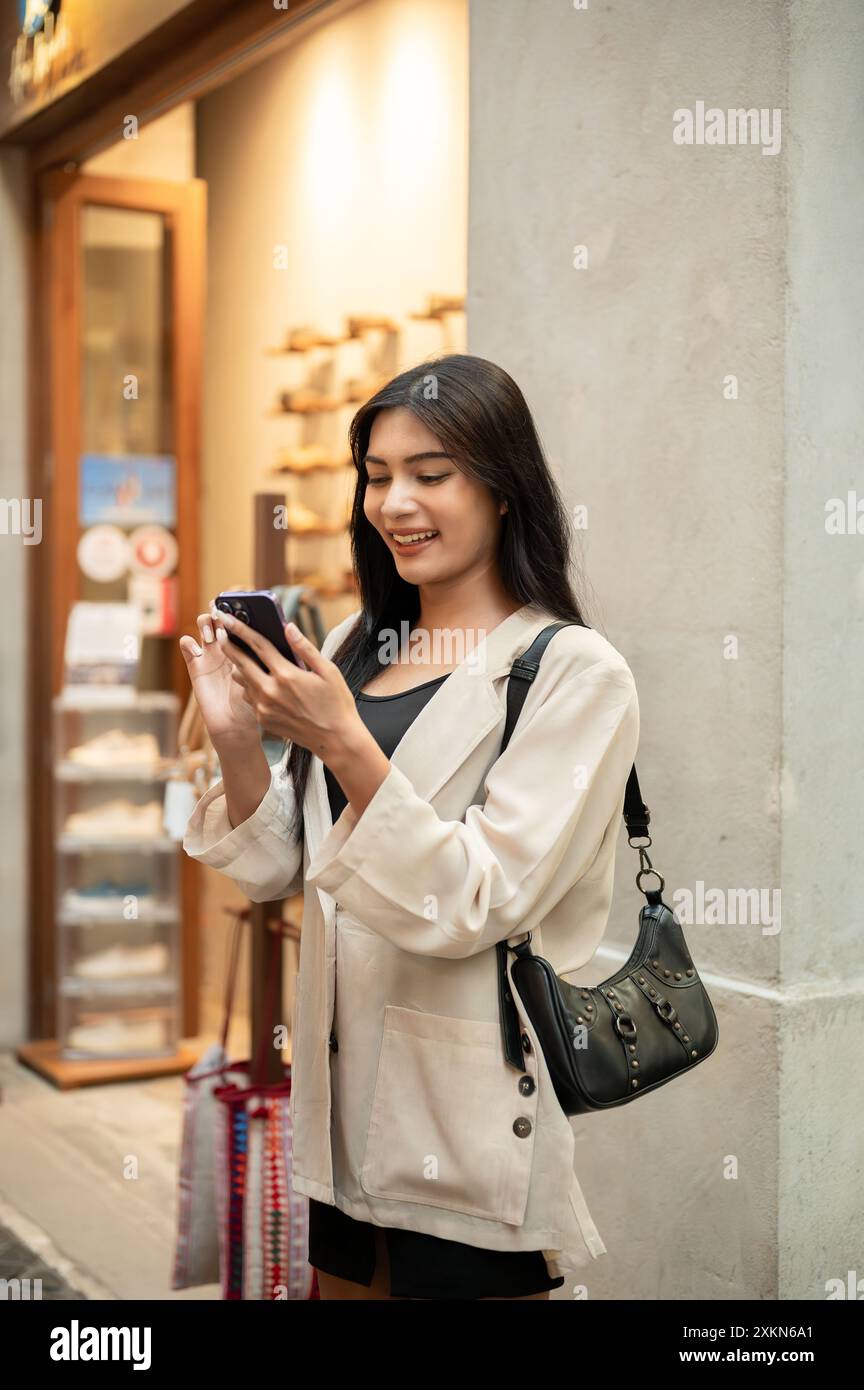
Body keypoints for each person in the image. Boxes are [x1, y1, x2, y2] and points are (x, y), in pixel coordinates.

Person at [179, 353, 640, 1300]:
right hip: (336, 1108)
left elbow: (477, 899)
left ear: (505, 490)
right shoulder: (352, 647)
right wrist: (236, 739)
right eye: (378, 476)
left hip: (462, 1112)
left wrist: (345, 743)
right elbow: (282, 870)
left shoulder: (573, 673)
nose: (395, 502)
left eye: (432, 475)